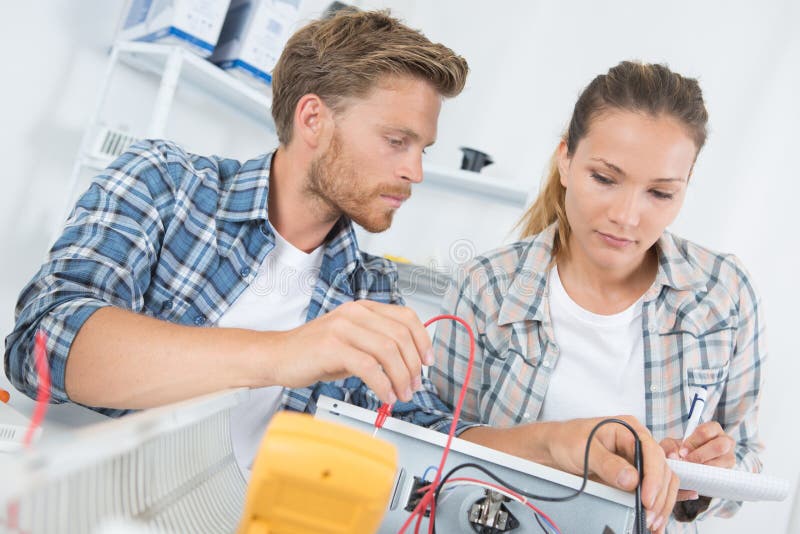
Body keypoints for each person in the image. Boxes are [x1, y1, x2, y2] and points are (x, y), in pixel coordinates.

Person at [5, 11, 676, 525]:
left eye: (422, 147)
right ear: (314, 119)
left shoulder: (367, 292)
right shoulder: (163, 185)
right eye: (396, 141)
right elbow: (45, 345)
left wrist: (555, 444)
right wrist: (288, 353)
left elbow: (429, 434)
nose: (415, 170)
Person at [430, 60, 766, 533]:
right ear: (565, 159)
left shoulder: (723, 293)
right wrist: (546, 443)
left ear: (686, 186)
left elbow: (747, 459)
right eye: (605, 179)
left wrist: (717, 474)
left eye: (660, 193)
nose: (627, 216)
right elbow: (433, 441)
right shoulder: (486, 284)